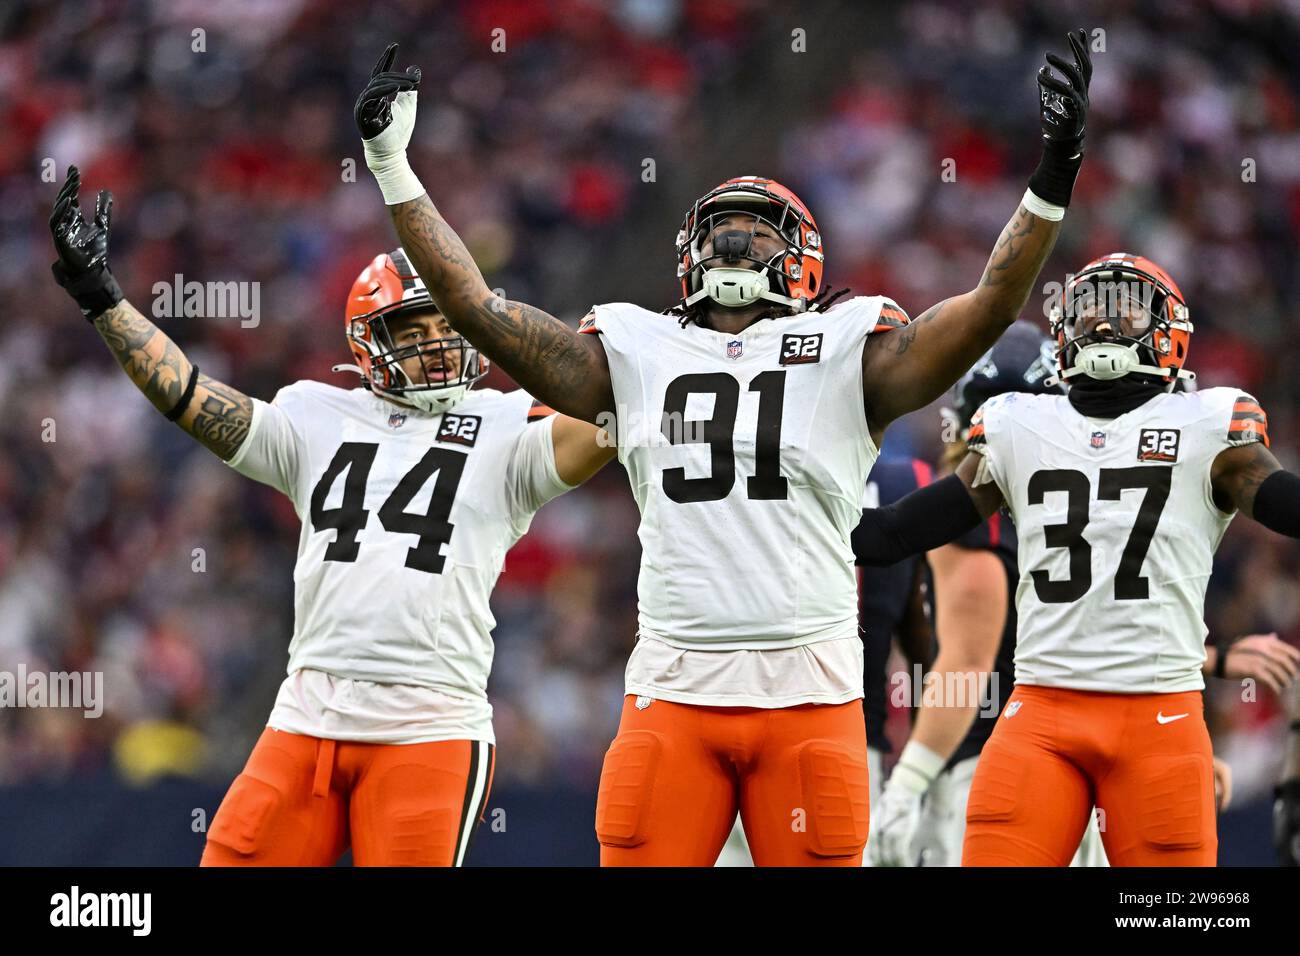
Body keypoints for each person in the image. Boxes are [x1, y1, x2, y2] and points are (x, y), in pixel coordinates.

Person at [355, 33, 1093, 865]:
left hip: (810, 692)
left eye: (757, 231)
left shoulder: (853, 345)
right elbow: (479, 310)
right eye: (722, 229)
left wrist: (1054, 172)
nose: (736, 244)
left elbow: (992, 302)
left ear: (806, 262)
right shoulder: (633, 347)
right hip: (674, 687)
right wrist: (392, 165)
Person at [48, 173, 613, 865]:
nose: (439, 342)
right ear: (369, 341)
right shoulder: (316, 412)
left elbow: (609, 419)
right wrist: (105, 302)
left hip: (427, 724)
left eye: (450, 322)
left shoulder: (505, 424)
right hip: (306, 713)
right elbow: (192, 396)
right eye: (417, 327)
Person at [854, 252, 1300, 865]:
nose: (1104, 325)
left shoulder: (1209, 427)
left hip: (1158, 718)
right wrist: (776, 510)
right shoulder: (1020, 423)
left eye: (1126, 311)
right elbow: (895, 532)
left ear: (1169, 332)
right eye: (1090, 310)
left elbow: (1286, 506)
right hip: (1041, 714)